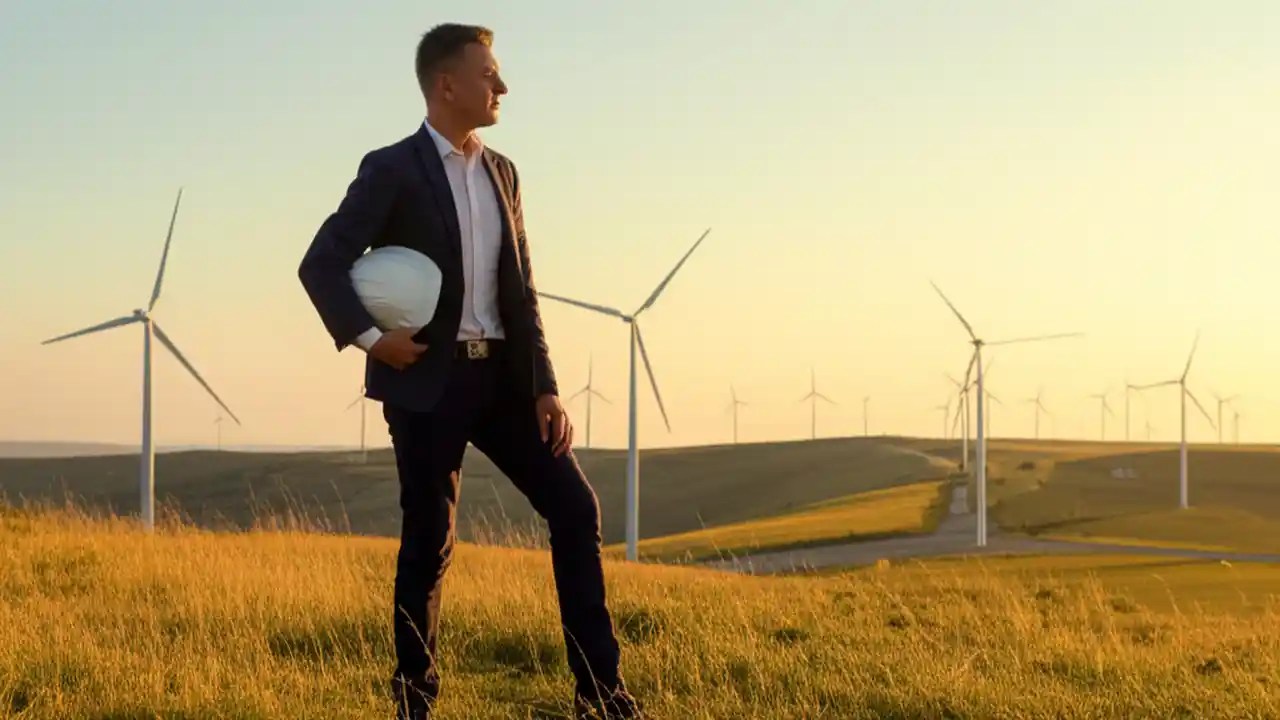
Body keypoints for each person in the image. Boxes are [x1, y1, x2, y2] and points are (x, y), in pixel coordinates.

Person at [297, 23, 643, 720]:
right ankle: (414, 699)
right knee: (430, 539)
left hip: (504, 384)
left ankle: (601, 695)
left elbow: (522, 290)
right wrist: (371, 340)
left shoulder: (503, 172)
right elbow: (321, 263)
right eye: (490, 74)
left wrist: (545, 386)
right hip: (427, 379)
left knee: (576, 510)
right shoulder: (391, 168)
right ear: (446, 84)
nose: (503, 87)